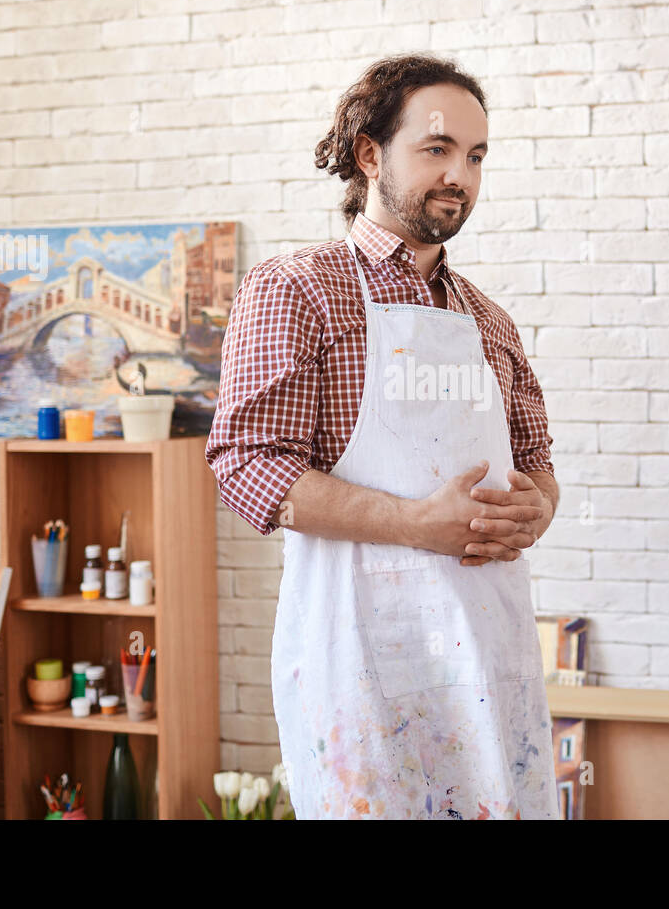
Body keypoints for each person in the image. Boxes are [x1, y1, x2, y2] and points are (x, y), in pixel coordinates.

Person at [205, 53, 561, 819]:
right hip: (361, 657)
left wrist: (539, 509)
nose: (459, 175)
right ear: (370, 154)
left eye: (474, 156)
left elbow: (536, 463)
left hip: (488, 654)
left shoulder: (490, 321)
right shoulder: (297, 290)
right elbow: (245, 465)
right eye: (436, 149)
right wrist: (411, 524)